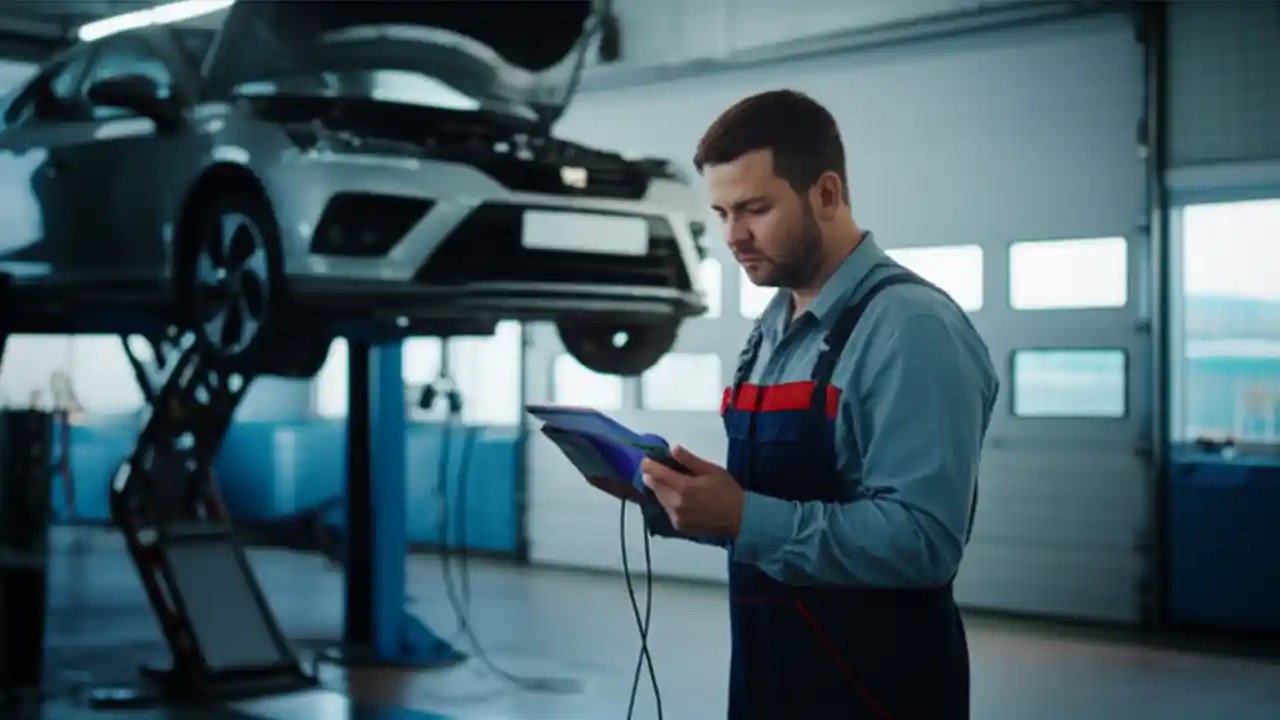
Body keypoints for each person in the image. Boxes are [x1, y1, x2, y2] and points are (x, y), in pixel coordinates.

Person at [635, 90, 999, 719]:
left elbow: (922, 542)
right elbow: (771, 510)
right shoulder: (773, 327)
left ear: (826, 194)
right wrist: (684, 501)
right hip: (770, 679)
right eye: (721, 213)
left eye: (754, 209)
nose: (734, 237)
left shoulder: (910, 327)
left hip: (875, 691)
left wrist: (743, 517)